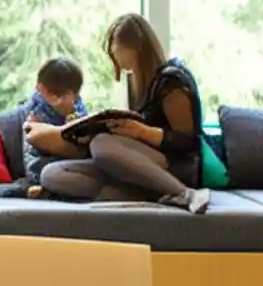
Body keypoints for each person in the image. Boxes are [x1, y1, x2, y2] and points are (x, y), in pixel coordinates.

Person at [26, 13, 211, 214]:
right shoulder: (135, 82)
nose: (114, 58)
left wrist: (141, 132)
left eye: (115, 51)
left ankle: (185, 193)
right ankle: (143, 194)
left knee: (101, 144)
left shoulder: (171, 81)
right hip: (133, 164)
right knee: (51, 174)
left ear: (133, 48)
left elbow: (189, 143)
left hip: (175, 167)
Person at [22, 56, 89, 199]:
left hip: (66, 156)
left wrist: (72, 115)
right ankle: (40, 184)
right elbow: (31, 132)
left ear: (74, 94)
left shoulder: (77, 107)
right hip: (42, 155)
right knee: (32, 152)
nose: (57, 101)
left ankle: (59, 188)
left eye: (64, 96)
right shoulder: (37, 105)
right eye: (50, 95)